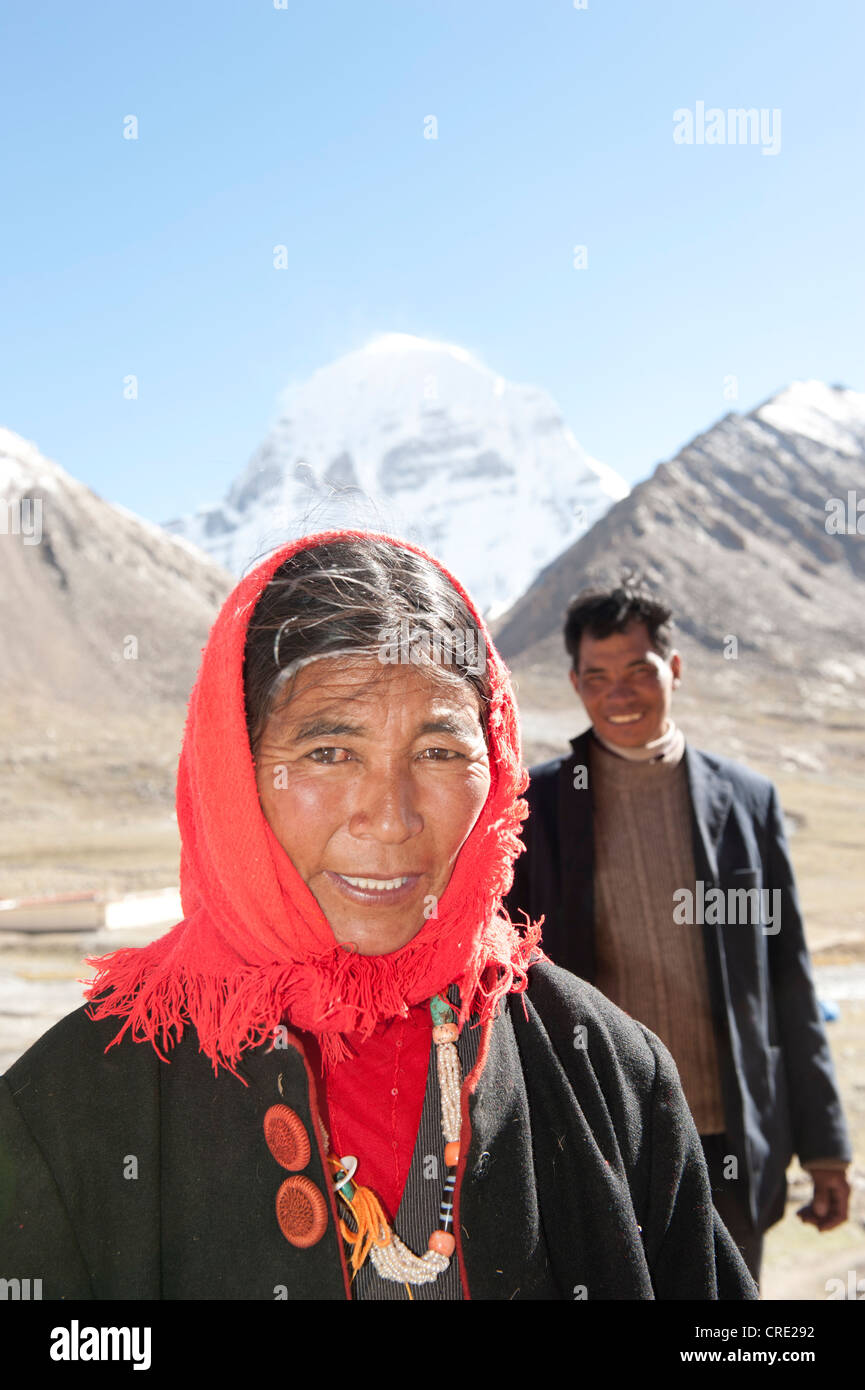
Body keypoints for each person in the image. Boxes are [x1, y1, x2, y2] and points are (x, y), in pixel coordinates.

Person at [0, 534, 757, 1300]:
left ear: (492, 768)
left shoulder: (604, 1070)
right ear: (234, 768)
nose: (390, 820)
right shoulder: (68, 1111)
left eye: (436, 752)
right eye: (329, 751)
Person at [506, 577, 853, 1285]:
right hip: (600, 1135)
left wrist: (823, 1147)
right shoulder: (534, 807)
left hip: (729, 1138)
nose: (618, 694)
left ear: (674, 668)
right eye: (596, 677)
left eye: (637, 670)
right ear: (574, 683)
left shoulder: (748, 802)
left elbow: (787, 977)